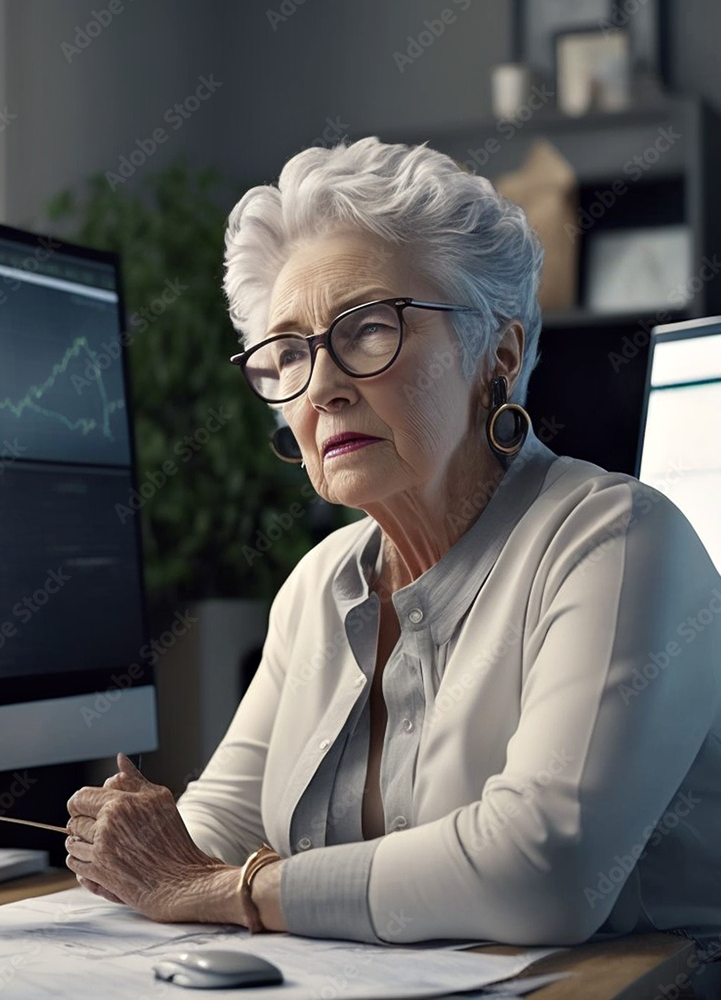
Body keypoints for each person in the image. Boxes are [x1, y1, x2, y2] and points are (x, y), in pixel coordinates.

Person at [65, 137, 721, 982]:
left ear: (501, 353)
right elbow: (209, 842)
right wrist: (132, 845)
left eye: (368, 329)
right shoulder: (318, 583)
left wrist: (234, 889)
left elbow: (544, 874)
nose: (324, 385)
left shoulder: (618, 539)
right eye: (290, 354)